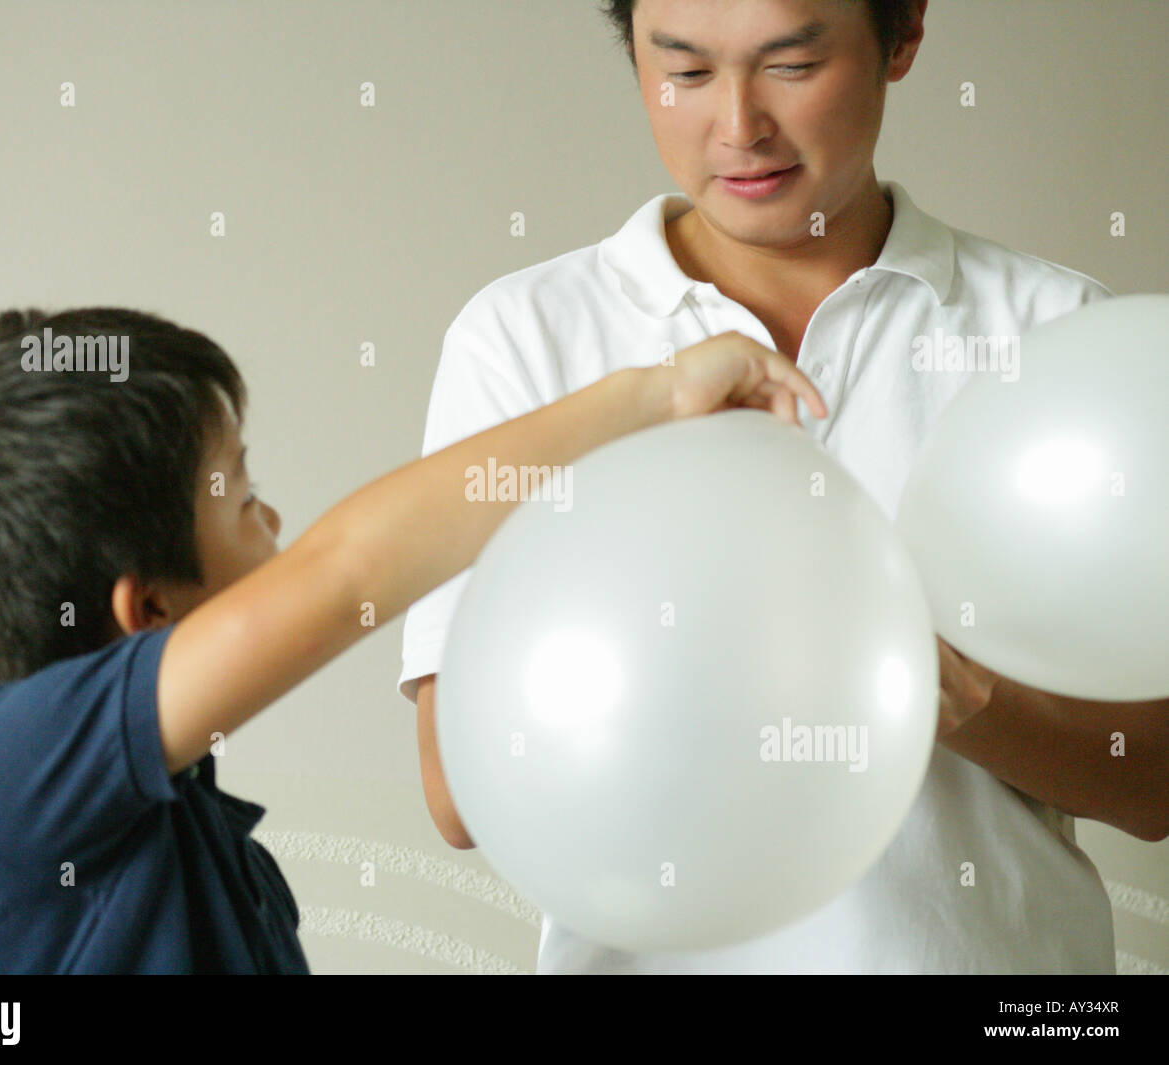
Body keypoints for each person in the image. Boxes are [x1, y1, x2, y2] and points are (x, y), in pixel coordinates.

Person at [401, 0, 1167, 974]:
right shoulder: (525, 338)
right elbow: (458, 794)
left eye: (792, 65)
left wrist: (931, 688)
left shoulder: (1053, 331)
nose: (737, 126)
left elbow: (1151, 786)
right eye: (683, 70)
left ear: (902, 36)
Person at [0, 306, 818, 974]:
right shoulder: (0, 775)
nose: (277, 518)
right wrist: (651, 396)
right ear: (152, 613)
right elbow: (347, 575)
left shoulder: (185, 822)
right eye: (243, 500)